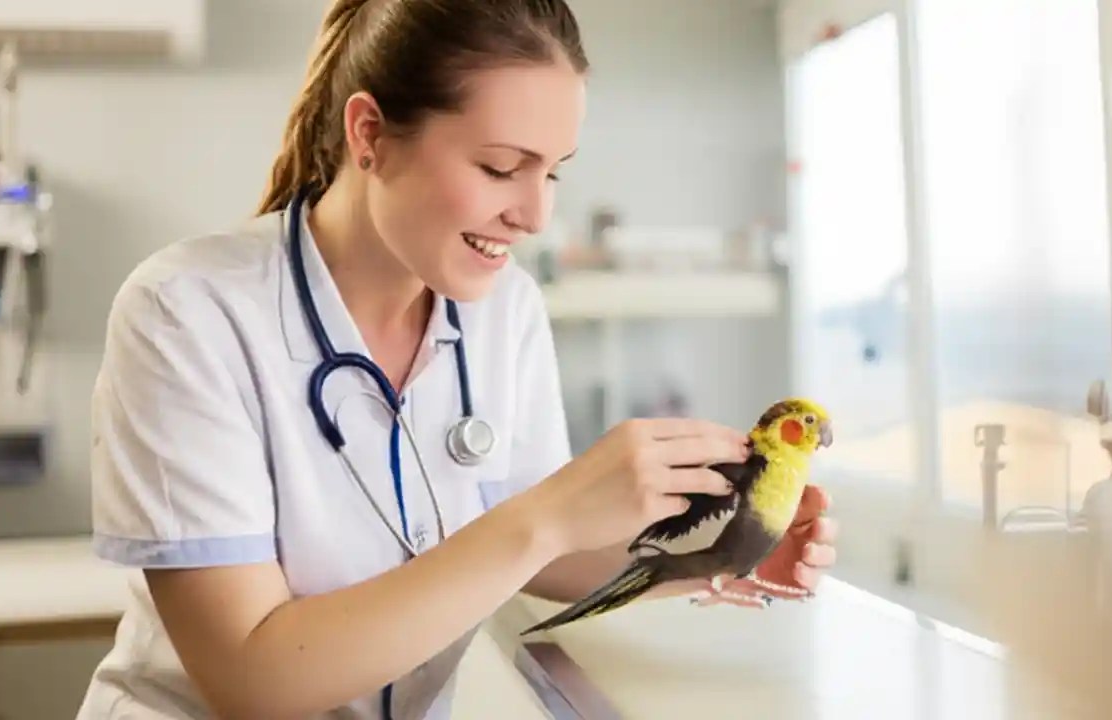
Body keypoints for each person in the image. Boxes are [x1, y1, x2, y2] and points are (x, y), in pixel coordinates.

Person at [76, 0, 838, 718]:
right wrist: (549, 512)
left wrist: (721, 552)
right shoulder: (188, 312)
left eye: (554, 172)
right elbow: (254, 681)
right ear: (369, 134)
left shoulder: (504, 311)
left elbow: (541, 557)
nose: (535, 215)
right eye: (502, 167)